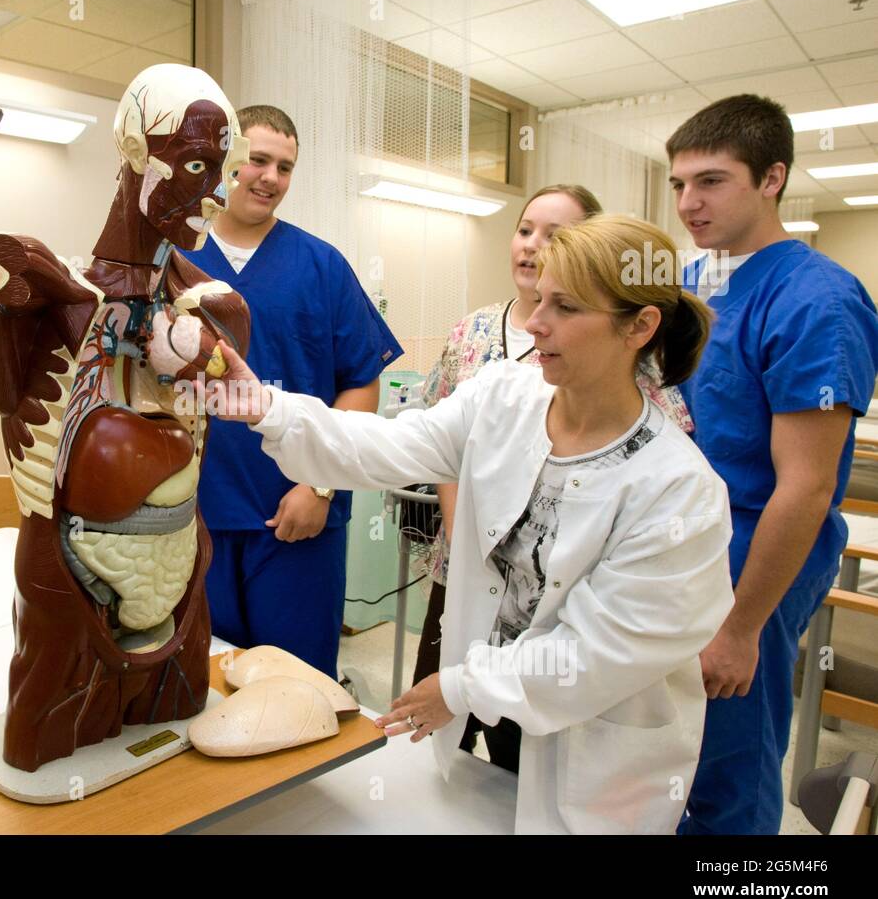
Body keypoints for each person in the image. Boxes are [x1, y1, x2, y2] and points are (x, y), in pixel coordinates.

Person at [201, 214, 735, 834]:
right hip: (484, 719)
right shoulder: (505, 398)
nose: (534, 323)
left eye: (564, 307)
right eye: (540, 299)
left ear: (639, 327)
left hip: (588, 751)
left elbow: (595, 655)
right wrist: (266, 407)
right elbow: (386, 447)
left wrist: (458, 690)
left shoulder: (679, 491)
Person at [412, 184, 693, 774]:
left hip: (551, 594)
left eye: (555, 235)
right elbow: (434, 438)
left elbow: (645, 468)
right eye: (525, 229)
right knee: (436, 747)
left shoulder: (642, 391)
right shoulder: (474, 335)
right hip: (462, 568)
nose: (533, 245)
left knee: (525, 752)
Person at [665, 94, 878, 835]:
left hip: (753, 557)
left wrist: (740, 628)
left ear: (772, 178)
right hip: (683, 544)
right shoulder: (697, 282)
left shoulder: (816, 300)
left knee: (732, 758)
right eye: (680, 184)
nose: (690, 203)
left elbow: (809, 486)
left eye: (712, 181)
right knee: (673, 749)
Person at [179, 104, 402, 679]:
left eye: (285, 167)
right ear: (227, 160)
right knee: (204, 684)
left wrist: (321, 485)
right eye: (256, 160)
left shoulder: (321, 266)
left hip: (296, 520)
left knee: (296, 688)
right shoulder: (175, 263)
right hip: (190, 520)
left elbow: (361, 381)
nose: (270, 178)